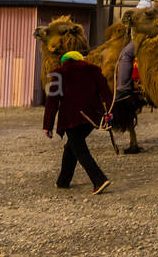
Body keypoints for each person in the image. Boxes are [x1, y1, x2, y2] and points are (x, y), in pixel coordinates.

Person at [44, 51, 113, 194]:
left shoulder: (59, 74)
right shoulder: (93, 70)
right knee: (71, 146)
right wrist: (109, 112)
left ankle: (99, 179)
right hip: (91, 119)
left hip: (70, 119)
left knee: (79, 149)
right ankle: (63, 181)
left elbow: (52, 102)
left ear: (65, 61)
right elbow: (106, 92)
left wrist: (48, 125)